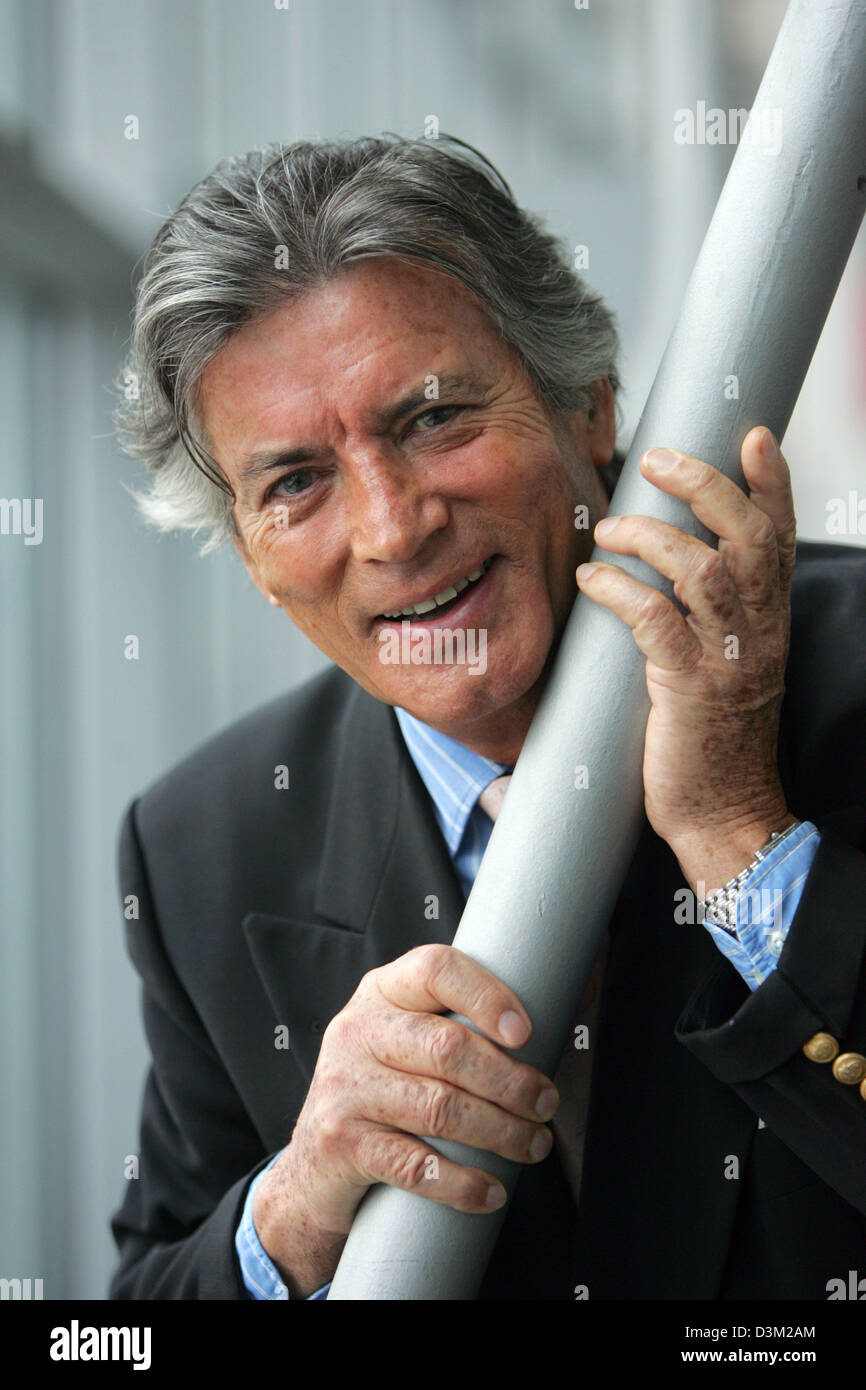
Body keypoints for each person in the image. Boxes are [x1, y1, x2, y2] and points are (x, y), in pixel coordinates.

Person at [109, 135, 866, 1300]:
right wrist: (298, 1205)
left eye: (433, 418)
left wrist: (735, 834)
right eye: (295, 483)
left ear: (590, 404)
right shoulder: (199, 845)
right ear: (252, 558)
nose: (391, 528)